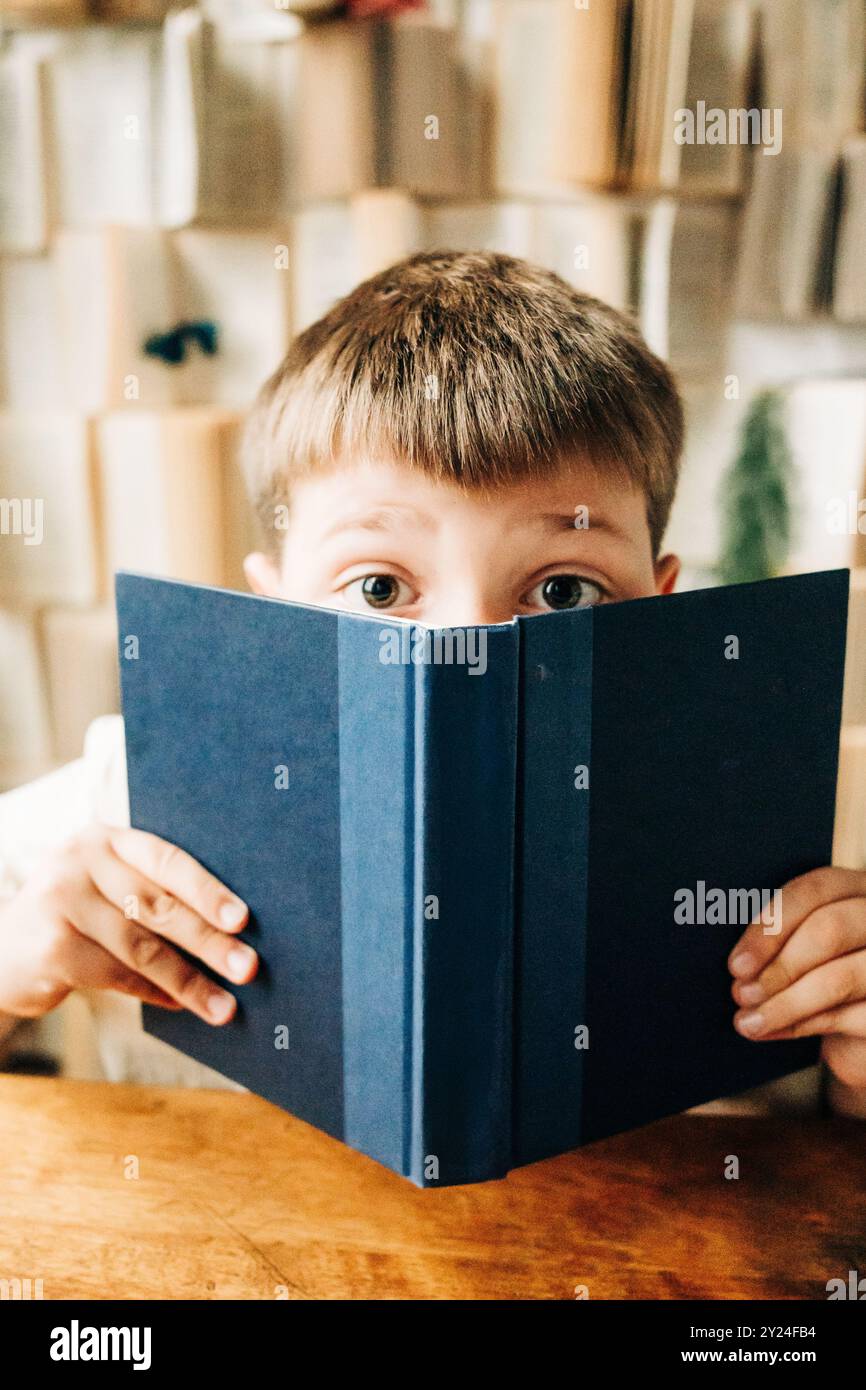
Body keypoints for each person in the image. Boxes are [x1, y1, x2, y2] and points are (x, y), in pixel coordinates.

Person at [1, 251, 864, 1119]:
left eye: (563, 591)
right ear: (274, 616)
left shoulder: (798, 829)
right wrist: (14, 968)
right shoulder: (123, 802)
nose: (466, 653)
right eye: (380, 588)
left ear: (662, 605)